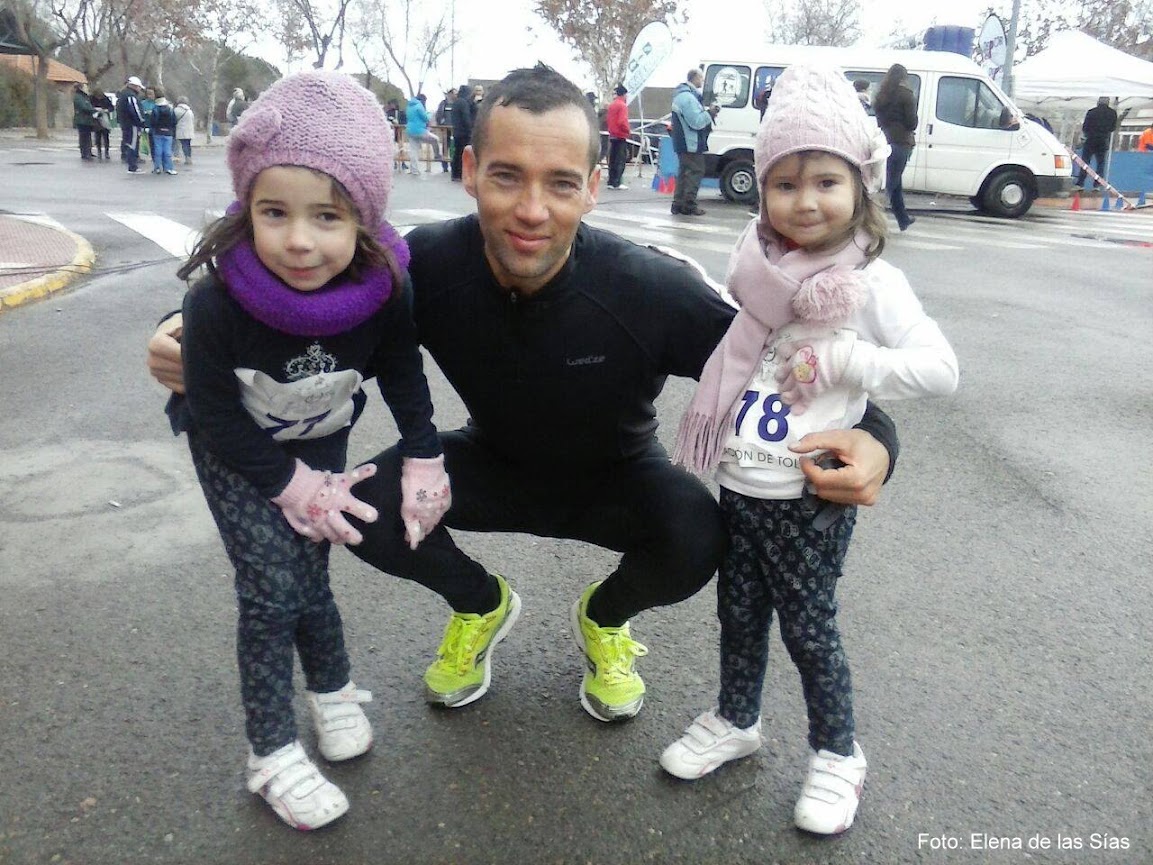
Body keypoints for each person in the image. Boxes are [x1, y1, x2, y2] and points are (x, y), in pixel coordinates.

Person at [147, 63, 898, 731]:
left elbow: (792, 372)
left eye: (561, 183)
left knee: (698, 534)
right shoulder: (422, 267)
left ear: (593, 189)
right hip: (490, 465)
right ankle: (481, 603)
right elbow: (293, 303)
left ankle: (603, 620)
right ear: (469, 168)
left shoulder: (649, 290)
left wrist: (878, 443)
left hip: (616, 479)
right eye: (506, 176)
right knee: (364, 510)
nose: (531, 210)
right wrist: (181, 331)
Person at [660, 65, 958, 835]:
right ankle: (735, 718)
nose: (805, 200)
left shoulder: (871, 282)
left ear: (860, 185)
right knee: (738, 613)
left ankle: (837, 751)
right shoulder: (754, 270)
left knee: (808, 626)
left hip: (808, 496)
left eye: (825, 179)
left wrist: (846, 361)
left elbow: (938, 369)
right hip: (740, 485)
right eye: (784, 183)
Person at [167, 70, 450, 831]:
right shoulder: (216, 302)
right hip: (239, 453)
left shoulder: (387, 285)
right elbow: (218, 419)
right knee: (269, 590)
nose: (299, 238)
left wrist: (423, 456)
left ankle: (330, 688)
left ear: (363, 215)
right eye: (273, 211)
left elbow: (400, 370)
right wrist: (292, 485)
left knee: (311, 572)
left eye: (327, 215)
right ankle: (270, 750)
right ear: (246, 209)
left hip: (323, 435)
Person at [872, 63, 918, 231]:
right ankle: (870, 220)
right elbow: (912, 123)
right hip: (901, 142)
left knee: (894, 181)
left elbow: (879, 119)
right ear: (904, 78)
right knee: (891, 183)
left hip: (884, 140)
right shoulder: (906, 95)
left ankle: (903, 219)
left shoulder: (881, 95)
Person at [670, 68, 720, 217]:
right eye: (701, 78)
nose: (703, 81)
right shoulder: (687, 98)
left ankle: (678, 204)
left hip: (683, 142)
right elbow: (696, 122)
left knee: (684, 173)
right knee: (695, 172)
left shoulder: (683, 96)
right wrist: (710, 113)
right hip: (690, 142)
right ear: (694, 78)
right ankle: (688, 204)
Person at [1076, 96, 1119, 188]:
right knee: (1101, 163)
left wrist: (1089, 133)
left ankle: (1080, 183)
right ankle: (1097, 184)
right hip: (1103, 140)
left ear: (1098, 102)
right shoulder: (1112, 113)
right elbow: (1113, 128)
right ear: (1108, 102)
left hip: (1091, 139)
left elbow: (1085, 127)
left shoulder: (1091, 112)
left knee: (1085, 162)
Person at [405, 93, 443, 178]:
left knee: (413, 150)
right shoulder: (419, 106)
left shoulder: (409, 106)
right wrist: (429, 114)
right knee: (435, 139)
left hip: (410, 130)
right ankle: (437, 155)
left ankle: (414, 170)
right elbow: (425, 118)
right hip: (420, 130)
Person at [116, 76, 147, 173]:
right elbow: (135, 110)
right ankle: (132, 166)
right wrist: (142, 121)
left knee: (129, 143)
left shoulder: (123, 95)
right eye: (138, 87)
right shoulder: (131, 96)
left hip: (125, 123)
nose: (140, 89)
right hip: (132, 124)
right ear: (134, 86)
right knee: (133, 144)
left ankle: (131, 164)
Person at [606, 84, 630, 190]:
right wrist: (628, 130)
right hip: (621, 135)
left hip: (612, 134)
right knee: (620, 159)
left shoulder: (612, 105)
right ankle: (617, 182)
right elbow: (622, 121)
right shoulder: (622, 106)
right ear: (624, 94)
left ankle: (611, 181)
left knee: (612, 159)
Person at [148, 86, 177, 175]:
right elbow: (174, 121)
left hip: (157, 132)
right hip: (168, 132)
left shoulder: (155, 109)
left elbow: (153, 121)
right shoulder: (170, 109)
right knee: (168, 151)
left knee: (158, 151)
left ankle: (157, 168)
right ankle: (169, 168)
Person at [449, 84, 474, 181]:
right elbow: (466, 117)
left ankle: (455, 174)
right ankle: (461, 174)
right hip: (464, 133)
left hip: (456, 131)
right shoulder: (463, 103)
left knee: (457, 153)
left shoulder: (456, 102)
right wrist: (470, 129)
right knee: (464, 154)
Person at [72, 82, 97, 161]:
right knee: (83, 137)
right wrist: (94, 110)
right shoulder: (78, 97)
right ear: (81, 88)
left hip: (87, 120)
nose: (87, 89)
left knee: (88, 137)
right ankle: (84, 153)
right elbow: (84, 107)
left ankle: (88, 151)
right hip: (82, 120)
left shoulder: (85, 97)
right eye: (86, 87)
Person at [90, 87, 115, 160]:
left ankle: (106, 152)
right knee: (97, 136)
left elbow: (111, 107)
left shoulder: (105, 98)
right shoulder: (91, 98)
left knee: (106, 136)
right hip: (96, 119)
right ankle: (99, 152)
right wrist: (95, 109)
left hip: (104, 118)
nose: (99, 98)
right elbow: (89, 106)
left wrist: (107, 110)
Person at [435, 88, 456, 172]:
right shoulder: (443, 104)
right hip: (445, 130)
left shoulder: (456, 103)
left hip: (455, 129)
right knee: (445, 147)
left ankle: (453, 164)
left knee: (453, 147)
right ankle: (445, 165)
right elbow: (438, 115)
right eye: (453, 93)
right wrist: (440, 125)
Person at [174, 96, 195, 165]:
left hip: (181, 130)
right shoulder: (190, 111)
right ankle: (188, 157)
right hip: (189, 130)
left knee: (180, 144)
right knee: (188, 144)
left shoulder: (176, 110)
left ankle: (178, 157)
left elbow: (173, 119)